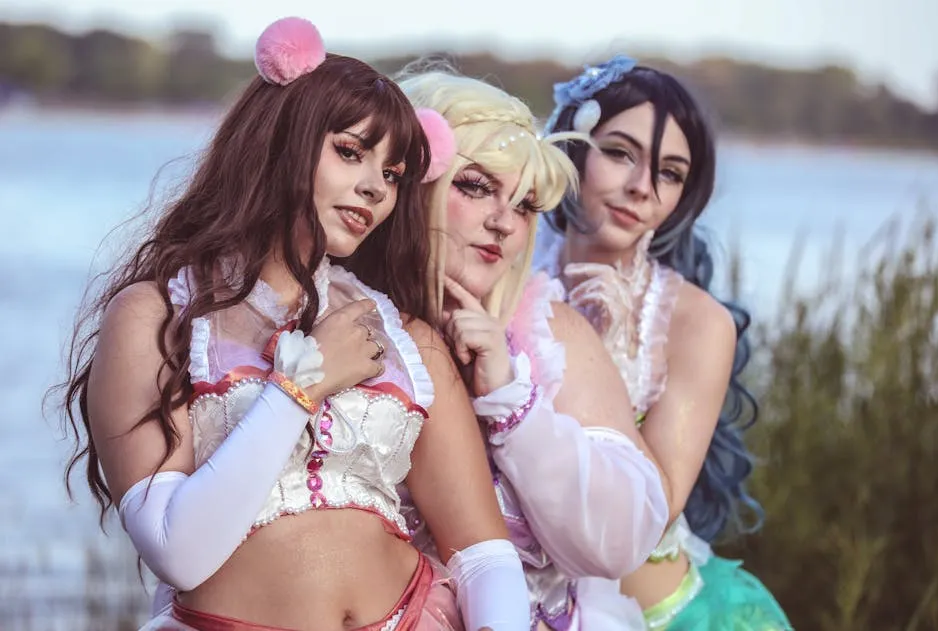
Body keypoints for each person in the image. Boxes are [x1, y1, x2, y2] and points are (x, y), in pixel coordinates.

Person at [55, 17, 532, 631]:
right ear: (281, 139)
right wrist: (298, 391)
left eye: (391, 175)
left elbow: (484, 554)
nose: (372, 190)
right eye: (350, 152)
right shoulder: (157, 317)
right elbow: (178, 550)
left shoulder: (406, 337)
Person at [396, 66, 670, 630]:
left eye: (522, 205)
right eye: (474, 187)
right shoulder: (341, 321)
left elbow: (624, 539)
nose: (502, 222)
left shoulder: (549, 333)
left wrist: (511, 404)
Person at [536, 55, 793, 629]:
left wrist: (598, 351)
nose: (642, 188)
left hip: (664, 616)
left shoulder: (698, 323)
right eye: (621, 153)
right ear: (572, 144)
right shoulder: (510, 275)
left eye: (670, 172)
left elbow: (649, 514)